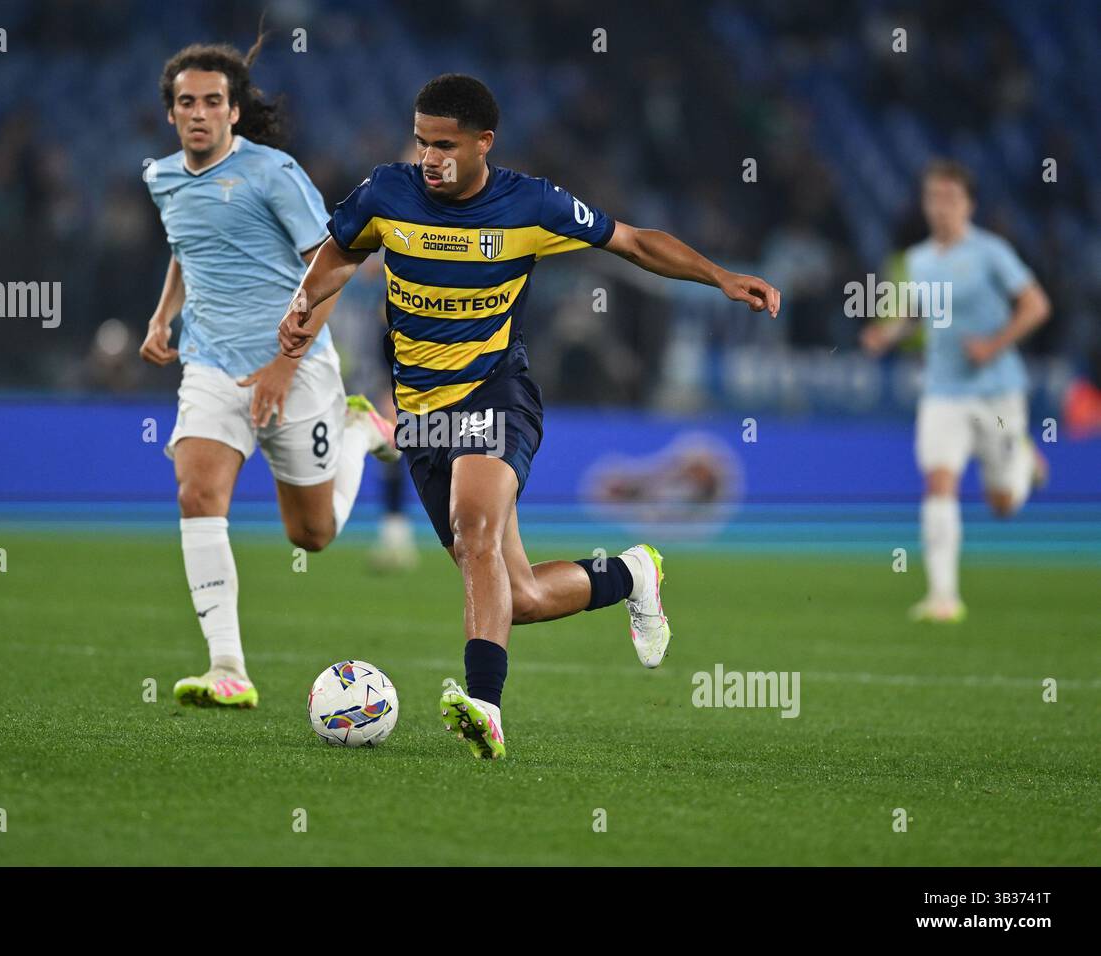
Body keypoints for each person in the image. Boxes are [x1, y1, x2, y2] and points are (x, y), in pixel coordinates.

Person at [279, 74, 780, 759]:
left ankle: (485, 705)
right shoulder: (385, 193)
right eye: (422, 142)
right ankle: (632, 574)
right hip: (424, 422)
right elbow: (338, 253)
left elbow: (631, 241)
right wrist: (302, 309)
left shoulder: (531, 206)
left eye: (445, 145)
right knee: (518, 595)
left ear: (485, 143)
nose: (429, 158)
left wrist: (719, 276)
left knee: (474, 528)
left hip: (494, 396)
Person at [140, 41, 398, 710]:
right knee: (197, 494)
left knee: (310, 536)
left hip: (299, 369)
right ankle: (227, 666)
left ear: (233, 111)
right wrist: (163, 316)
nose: (199, 113)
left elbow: (334, 268)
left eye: (212, 102)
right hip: (210, 368)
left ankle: (359, 432)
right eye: (187, 102)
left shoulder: (274, 175)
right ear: (171, 113)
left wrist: (286, 364)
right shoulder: (162, 178)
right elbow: (186, 246)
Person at [862, 160, 1051, 622]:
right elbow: (919, 317)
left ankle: (1022, 461)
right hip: (943, 390)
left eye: (950, 198)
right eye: (933, 198)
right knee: (938, 480)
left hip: (998, 394)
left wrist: (993, 344)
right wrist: (886, 335)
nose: (941, 208)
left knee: (1002, 503)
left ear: (969, 204)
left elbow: (1036, 305)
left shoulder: (991, 252)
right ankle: (943, 597)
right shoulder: (919, 261)